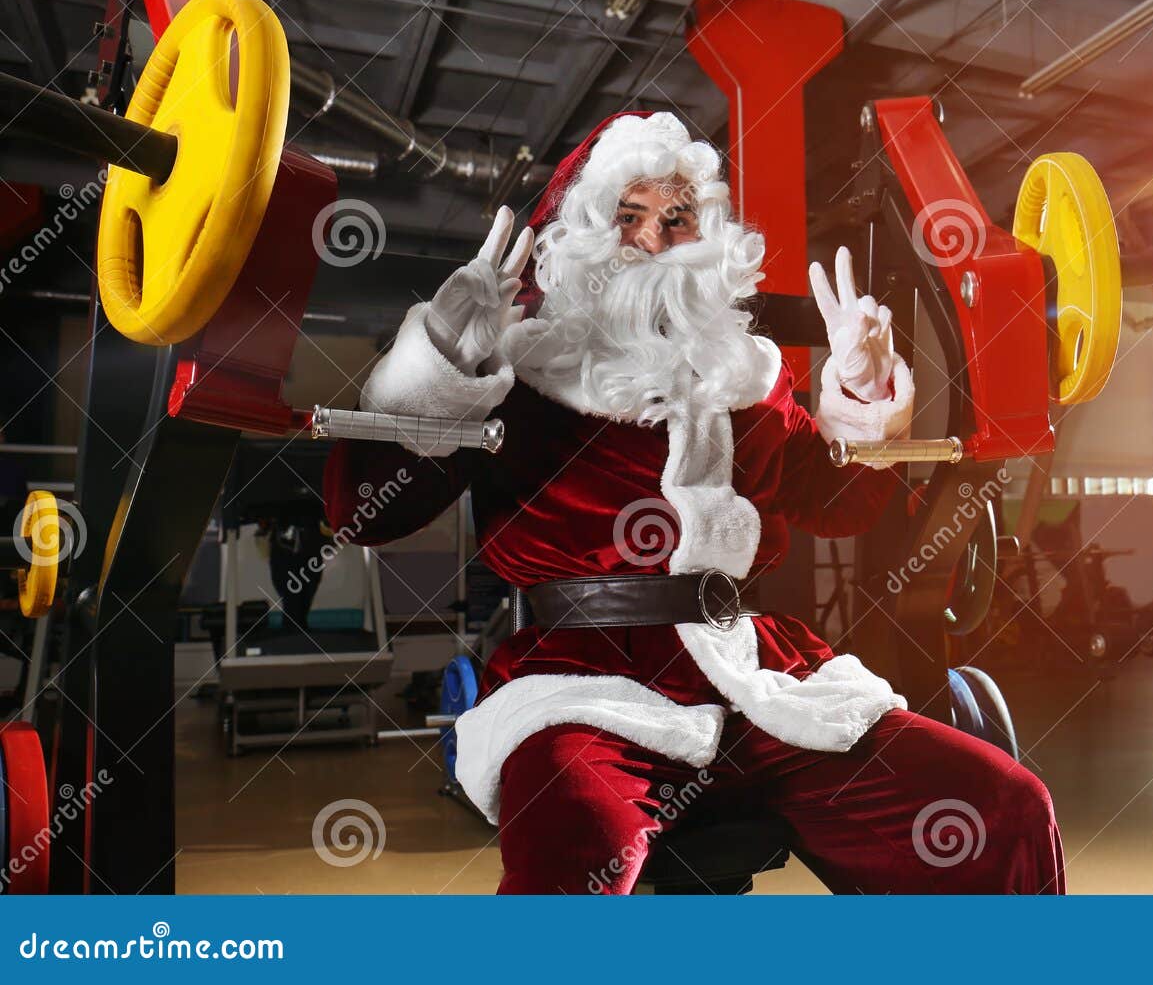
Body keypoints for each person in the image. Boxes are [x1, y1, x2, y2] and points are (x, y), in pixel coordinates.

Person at [323, 111, 1063, 894]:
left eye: (676, 219)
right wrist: (439, 359)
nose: (651, 239)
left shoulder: (741, 375)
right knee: (571, 861)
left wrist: (862, 397)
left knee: (1004, 806)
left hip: (756, 677)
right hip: (582, 689)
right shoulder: (515, 373)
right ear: (581, 239)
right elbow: (362, 512)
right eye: (628, 216)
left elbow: (843, 506)